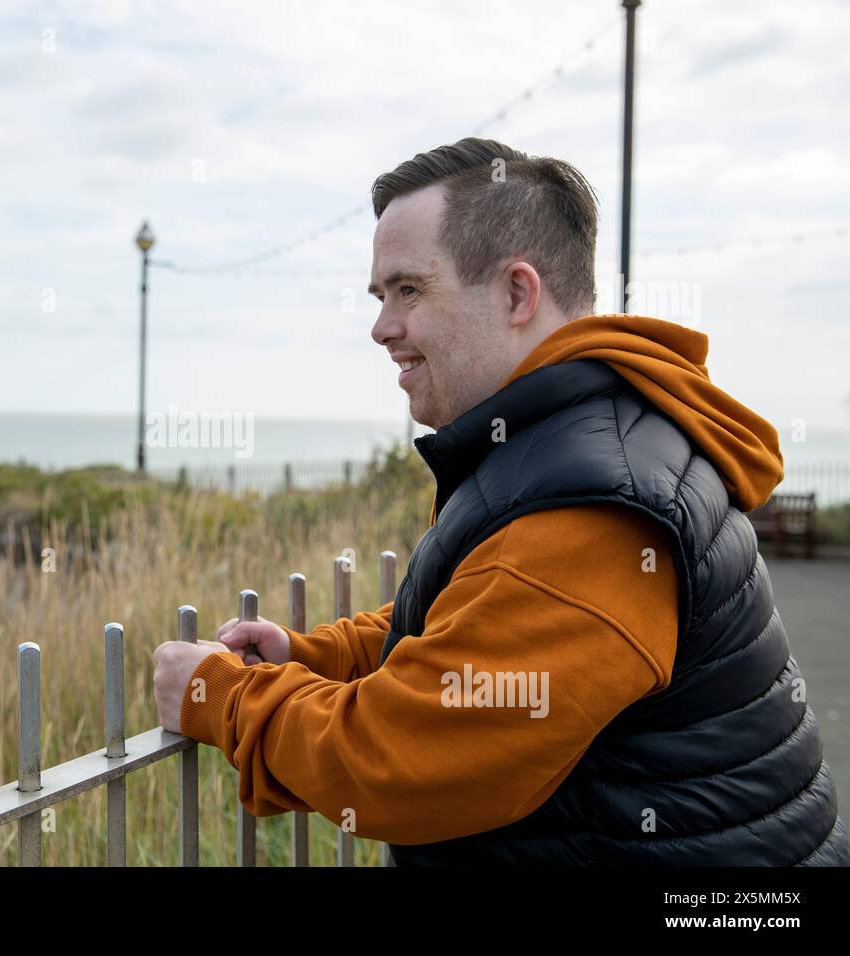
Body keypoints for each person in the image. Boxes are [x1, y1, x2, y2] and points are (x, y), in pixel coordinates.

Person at [151, 137, 849, 865]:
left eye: (409, 289)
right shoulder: (580, 442)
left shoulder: (595, 506)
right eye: (379, 295)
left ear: (518, 293)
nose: (382, 327)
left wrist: (220, 698)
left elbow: (404, 759)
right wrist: (319, 656)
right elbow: (487, 608)